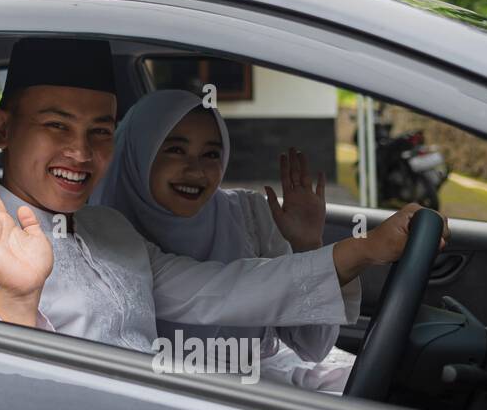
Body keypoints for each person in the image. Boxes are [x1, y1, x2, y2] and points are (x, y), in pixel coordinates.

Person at [0, 38, 442, 383]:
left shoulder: (110, 228)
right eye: (57, 126)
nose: (81, 154)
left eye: (100, 131)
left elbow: (216, 292)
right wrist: (18, 303)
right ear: (2, 128)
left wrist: (365, 251)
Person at [95, 89, 354, 390]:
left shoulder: (249, 216)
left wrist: (308, 246)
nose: (196, 170)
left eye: (211, 155)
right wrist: (359, 252)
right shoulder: (99, 236)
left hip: (263, 378)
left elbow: (313, 347)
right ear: (138, 151)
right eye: (175, 150)